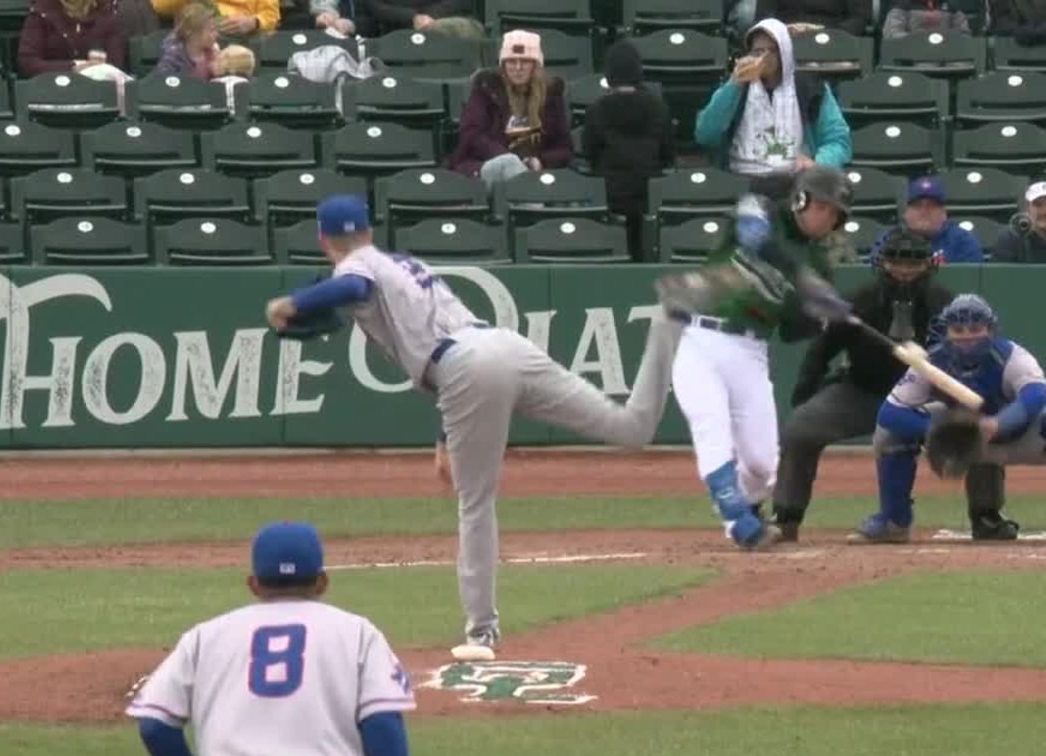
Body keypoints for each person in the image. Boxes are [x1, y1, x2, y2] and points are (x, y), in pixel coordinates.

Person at [262, 195, 717, 659]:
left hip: (467, 368)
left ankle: (481, 632)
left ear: (323, 239)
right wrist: (445, 437)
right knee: (631, 428)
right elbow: (443, 346)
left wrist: (292, 303)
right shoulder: (400, 261)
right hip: (503, 346)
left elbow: (351, 290)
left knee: (475, 502)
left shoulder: (355, 267)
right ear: (369, 230)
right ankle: (667, 323)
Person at [126, 521, 430, 756]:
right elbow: (383, 724)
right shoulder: (358, 632)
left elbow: (155, 725)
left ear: (253, 584)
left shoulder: (205, 637)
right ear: (322, 581)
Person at [772, 228, 1017, 543]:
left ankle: (987, 516)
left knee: (981, 422)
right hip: (863, 391)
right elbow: (821, 350)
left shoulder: (947, 306)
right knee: (800, 429)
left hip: (929, 397)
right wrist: (805, 393)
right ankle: (786, 517)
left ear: (929, 265)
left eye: (913, 263)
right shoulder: (856, 304)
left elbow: (974, 357)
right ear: (880, 264)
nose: (904, 271)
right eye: (896, 263)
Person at [850, 294, 1046, 546]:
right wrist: (938, 430)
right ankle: (893, 521)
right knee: (889, 433)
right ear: (946, 332)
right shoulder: (931, 363)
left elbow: (1034, 396)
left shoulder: (1012, 356)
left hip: (1019, 437)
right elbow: (891, 412)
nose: (967, 336)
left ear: (990, 329)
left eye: (975, 328)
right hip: (961, 440)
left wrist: (998, 423)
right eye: (958, 329)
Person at [670, 165, 856, 550]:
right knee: (713, 431)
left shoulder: (819, 264)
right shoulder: (763, 212)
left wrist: (819, 318)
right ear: (801, 198)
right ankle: (738, 522)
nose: (828, 218)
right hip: (701, 339)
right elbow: (755, 232)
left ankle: (748, 506)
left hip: (751, 351)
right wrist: (801, 277)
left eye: (835, 213)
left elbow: (789, 331)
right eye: (823, 207)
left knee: (761, 465)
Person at [694, 18, 852, 187]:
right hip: (742, 180)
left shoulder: (810, 88)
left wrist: (818, 164)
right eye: (757, 51)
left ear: (784, 52)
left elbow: (838, 140)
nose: (763, 57)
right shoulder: (736, 87)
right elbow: (705, 134)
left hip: (796, 181)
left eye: (771, 51)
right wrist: (733, 86)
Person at [582, 39, 674, 261]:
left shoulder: (597, 110)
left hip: (610, 197)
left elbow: (589, 153)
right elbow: (668, 154)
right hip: (649, 195)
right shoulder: (658, 108)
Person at [447, 30, 574, 189]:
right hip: (484, 165)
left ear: (536, 65)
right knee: (509, 164)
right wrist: (508, 157)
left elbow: (564, 148)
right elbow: (472, 136)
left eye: (525, 61)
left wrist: (540, 161)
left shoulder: (551, 94)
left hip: (533, 171)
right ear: (503, 65)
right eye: (511, 61)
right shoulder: (486, 88)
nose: (518, 67)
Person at [870, 176, 983, 265]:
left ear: (944, 213)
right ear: (905, 213)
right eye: (917, 206)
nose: (924, 211)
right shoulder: (888, 240)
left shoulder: (962, 241)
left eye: (932, 206)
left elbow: (970, 281)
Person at [17, 0, 127, 78]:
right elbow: (28, 62)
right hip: (51, 91)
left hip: (99, 92)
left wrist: (97, 68)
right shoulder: (41, 12)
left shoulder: (107, 13)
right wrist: (74, 67)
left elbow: (115, 64)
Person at [153, 0, 278, 42]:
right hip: (196, 39)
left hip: (242, 40)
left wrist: (254, 22)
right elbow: (159, 6)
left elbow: (271, 16)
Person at [154, 3, 220, 78]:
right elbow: (163, 80)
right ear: (192, 33)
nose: (217, 34)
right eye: (211, 30)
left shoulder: (211, 53)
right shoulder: (174, 58)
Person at [355, 0, 483, 38]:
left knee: (463, 28)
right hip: (398, 26)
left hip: (445, 19)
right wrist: (411, 17)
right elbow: (374, 7)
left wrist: (427, 18)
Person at [755, 0, 871, 35]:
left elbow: (859, 18)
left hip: (834, 38)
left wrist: (823, 31)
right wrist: (784, 30)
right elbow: (763, 18)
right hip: (785, 38)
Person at [882, 0, 971, 37]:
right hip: (910, 59)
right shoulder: (901, 8)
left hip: (947, 58)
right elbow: (893, 35)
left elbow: (964, 35)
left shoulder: (952, 9)